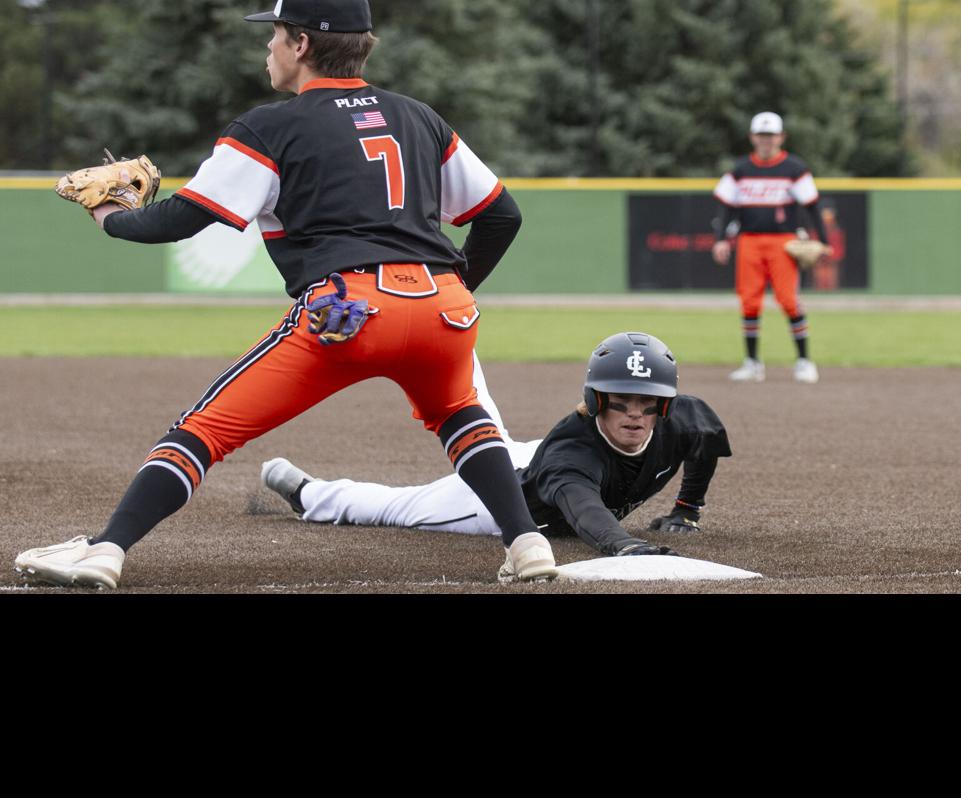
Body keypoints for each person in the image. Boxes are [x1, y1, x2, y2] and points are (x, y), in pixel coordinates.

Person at [13, 1, 558, 589]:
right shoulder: (418, 117)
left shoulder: (270, 126)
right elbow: (502, 216)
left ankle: (106, 551)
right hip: (444, 306)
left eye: (273, 34)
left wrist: (108, 215)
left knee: (204, 429)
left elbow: (176, 220)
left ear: (300, 44)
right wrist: (448, 291)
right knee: (461, 417)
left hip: (346, 311)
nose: (267, 47)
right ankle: (527, 544)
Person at [259, 333, 730, 559]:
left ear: (665, 405)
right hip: (499, 499)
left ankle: (449, 334)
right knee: (395, 508)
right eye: (621, 402)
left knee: (484, 417)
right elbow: (587, 513)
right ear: (596, 401)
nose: (635, 414)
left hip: (534, 457)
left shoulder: (687, 420)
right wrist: (624, 545)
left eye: (648, 404)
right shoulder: (573, 458)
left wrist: (686, 508)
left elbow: (704, 444)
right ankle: (309, 493)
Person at [711, 111, 824, 384]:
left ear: (781, 137)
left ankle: (804, 361)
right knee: (749, 301)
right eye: (761, 135)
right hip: (749, 240)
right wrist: (720, 239)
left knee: (788, 300)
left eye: (771, 135)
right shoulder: (740, 170)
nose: (766, 141)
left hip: (782, 242)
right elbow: (726, 209)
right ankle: (752, 363)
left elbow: (812, 206)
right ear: (752, 137)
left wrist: (823, 240)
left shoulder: (794, 168)